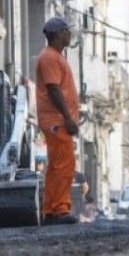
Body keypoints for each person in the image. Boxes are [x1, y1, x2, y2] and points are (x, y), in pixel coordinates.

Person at [36, 17, 81, 225]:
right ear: (58, 34)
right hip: (57, 120)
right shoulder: (49, 58)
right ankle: (59, 209)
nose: (69, 34)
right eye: (66, 31)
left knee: (57, 165)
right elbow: (53, 89)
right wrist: (68, 118)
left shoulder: (55, 57)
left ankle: (51, 210)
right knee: (64, 165)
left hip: (58, 120)